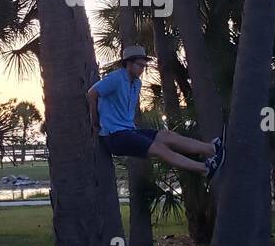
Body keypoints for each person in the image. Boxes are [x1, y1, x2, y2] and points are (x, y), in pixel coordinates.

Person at [88, 45, 225, 179]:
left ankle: (212, 148)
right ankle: (205, 169)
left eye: (144, 66)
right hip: (114, 136)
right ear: (128, 63)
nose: (142, 69)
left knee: (167, 135)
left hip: (129, 131)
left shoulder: (136, 84)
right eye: (139, 65)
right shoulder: (115, 78)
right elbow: (92, 93)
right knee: (160, 149)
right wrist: (95, 123)